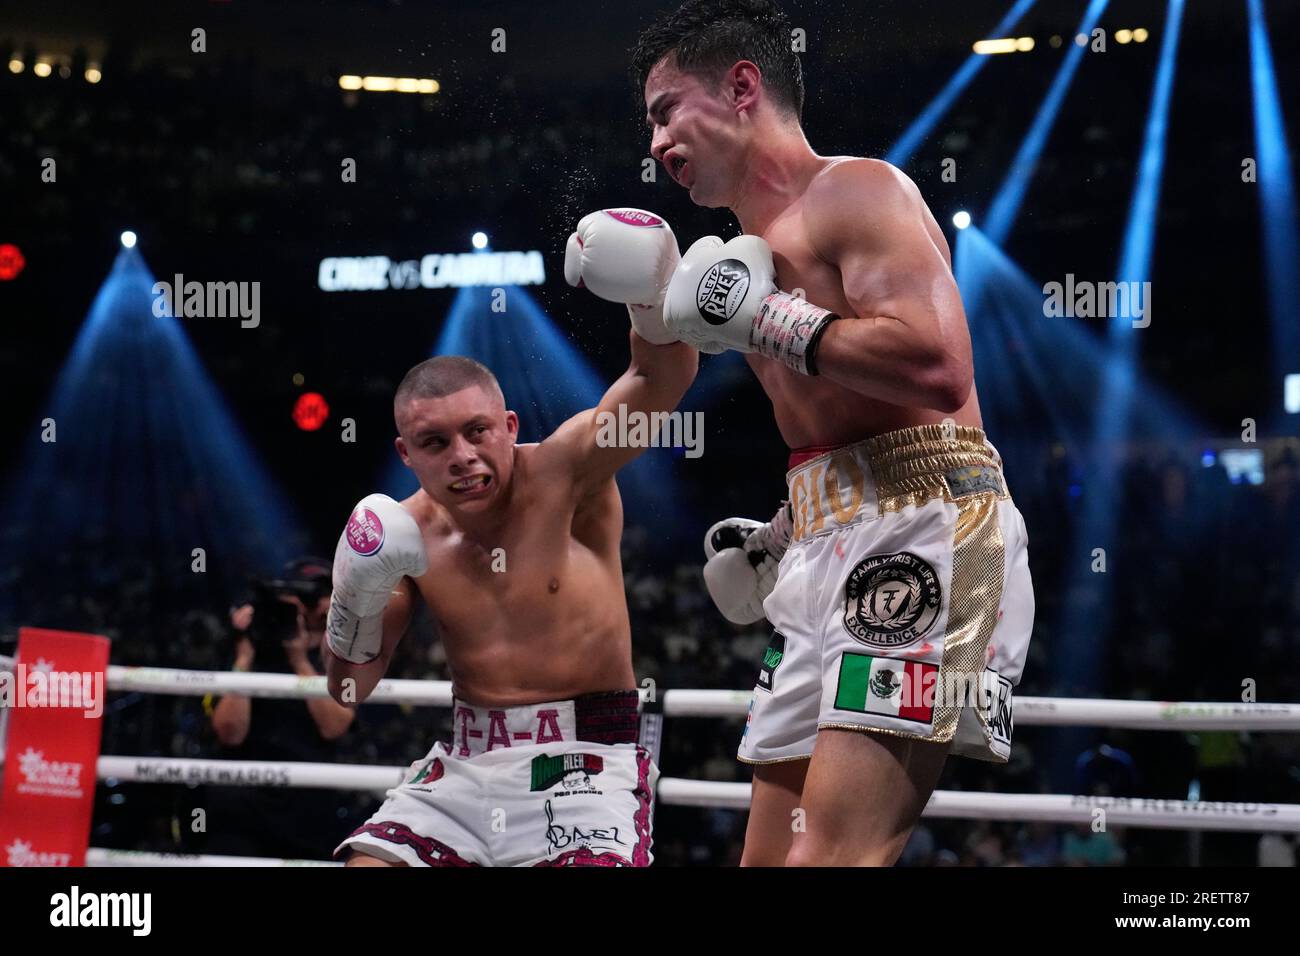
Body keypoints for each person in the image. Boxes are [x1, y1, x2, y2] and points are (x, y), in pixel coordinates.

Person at [631, 0, 1035, 865]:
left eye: (667, 109)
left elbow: (937, 369)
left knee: (835, 859)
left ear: (742, 86)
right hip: (824, 541)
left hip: (932, 524)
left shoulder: (856, 189)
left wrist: (770, 319)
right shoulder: (741, 250)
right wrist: (784, 532)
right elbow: (838, 427)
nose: (656, 141)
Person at [325, 208, 697, 866]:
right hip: (468, 761)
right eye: (436, 443)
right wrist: (352, 599)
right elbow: (348, 691)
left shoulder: (567, 473)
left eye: (477, 431)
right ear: (406, 455)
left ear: (509, 425)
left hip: (588, 758)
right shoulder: (405, 536)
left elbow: (657, 382)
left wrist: (653, 293)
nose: (463, 456)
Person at [206, 557, 357, 859]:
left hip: (309, 805)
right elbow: (229, 733)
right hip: (242, 800)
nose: (310, 608)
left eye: (318, 597)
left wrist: (298, 659)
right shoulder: (248, 644)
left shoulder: (341, 654)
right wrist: (245, 655)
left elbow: (334, 726)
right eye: (301, 599)